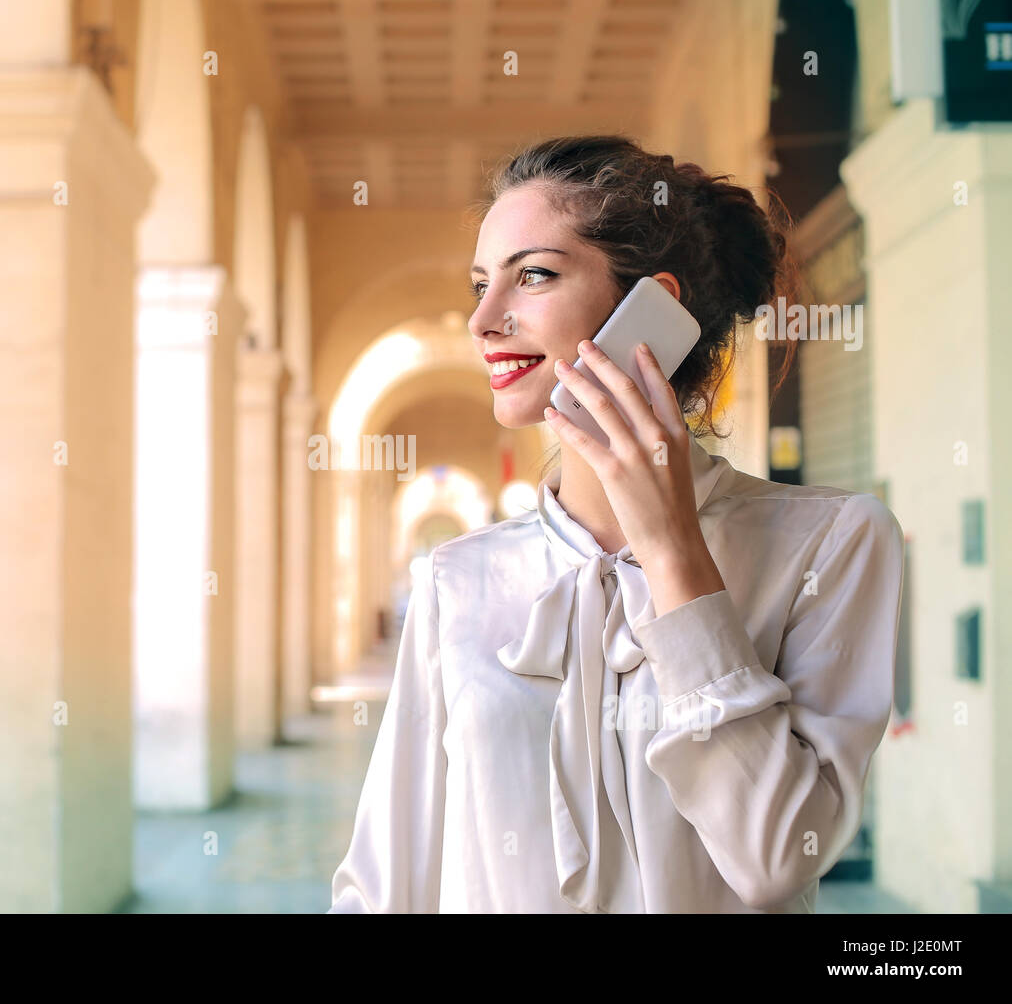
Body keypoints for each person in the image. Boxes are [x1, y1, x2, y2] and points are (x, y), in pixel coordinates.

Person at [327, 135, 905, 913]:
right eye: (479, 284)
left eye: (532, 275)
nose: (484, 320)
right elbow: (382, 884)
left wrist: (671, 553)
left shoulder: (832, 544)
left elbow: (776, 857)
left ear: (653, 308)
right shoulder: (454, 580)